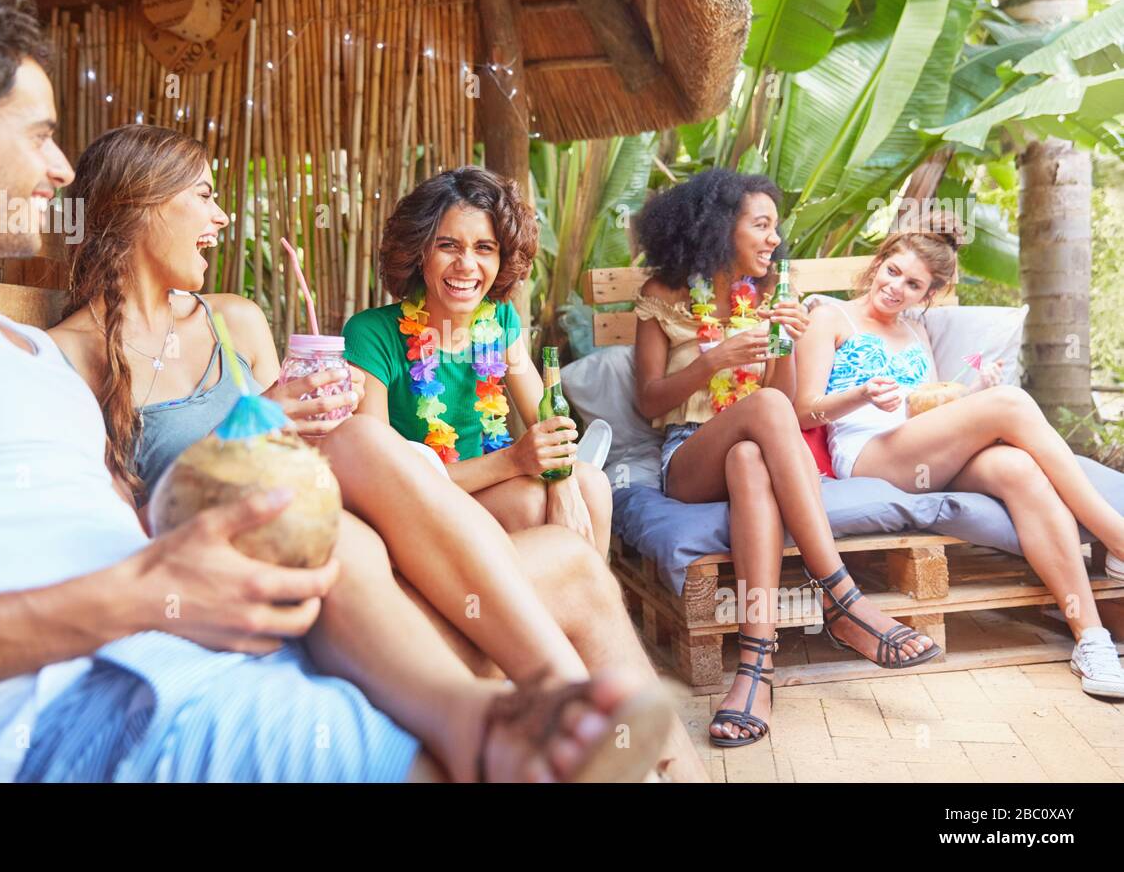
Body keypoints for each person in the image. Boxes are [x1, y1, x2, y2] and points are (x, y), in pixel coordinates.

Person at [0, 0, 675, 783]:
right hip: (95, 705)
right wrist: (129, 598)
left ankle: (524, 726)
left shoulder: (19, 352)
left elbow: (144, 525)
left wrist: (259, 441)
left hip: (196, 648)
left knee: (473, 531)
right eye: (43, 135)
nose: (59, 169)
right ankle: (496, 725)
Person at [47, 123, 704, 780]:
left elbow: (301, 443)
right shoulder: (72, 356)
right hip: (235, 568)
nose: (222, 215)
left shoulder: (234, 320)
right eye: (204, 195)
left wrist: (299, 417)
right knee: (366, 443)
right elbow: (118, 539)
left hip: (347, 555)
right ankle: (569, 706)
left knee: (568, 559)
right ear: (141, 203)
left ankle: (634, 744)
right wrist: (249, 432)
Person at [632, 168, 942, 747]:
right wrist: (713, 360)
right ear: (722, 226)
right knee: (764, 413)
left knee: (752, 455)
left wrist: (786, 342)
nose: (775, 238)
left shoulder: (775, 292)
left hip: (761, 456)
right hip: (689, 455)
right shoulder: (663, 294)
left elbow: (794, 411)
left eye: (776, 226)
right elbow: (647, 400)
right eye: (762, 224)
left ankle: (754, 671)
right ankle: (844, 599)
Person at [794, 212, 1124, 699]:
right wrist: (861, 394)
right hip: (869, 453)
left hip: (920, 449)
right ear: (878, 263)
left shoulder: (915, 333)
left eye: (913, 284)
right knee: (1010, 404)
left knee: (1019, 468)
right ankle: (1118, 540)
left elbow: (926, 405)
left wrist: (973, 392)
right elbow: (804, 412)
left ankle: (1091, 640)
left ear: (927, 295)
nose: (896, 288)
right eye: (892, 271)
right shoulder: (828, 316)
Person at [342, 167, 613, 555]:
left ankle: (585, 607)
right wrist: (515, 461)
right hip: (412, 504)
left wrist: (564, 482)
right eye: (448, 245)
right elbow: (382, 480)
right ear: (419, 252)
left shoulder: (500, 322)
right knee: (529, 503)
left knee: (593, 487)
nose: (466, 264)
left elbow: (546, 425)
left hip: (488, 488)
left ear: (502, 258)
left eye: (484, 248)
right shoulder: (371, 335)